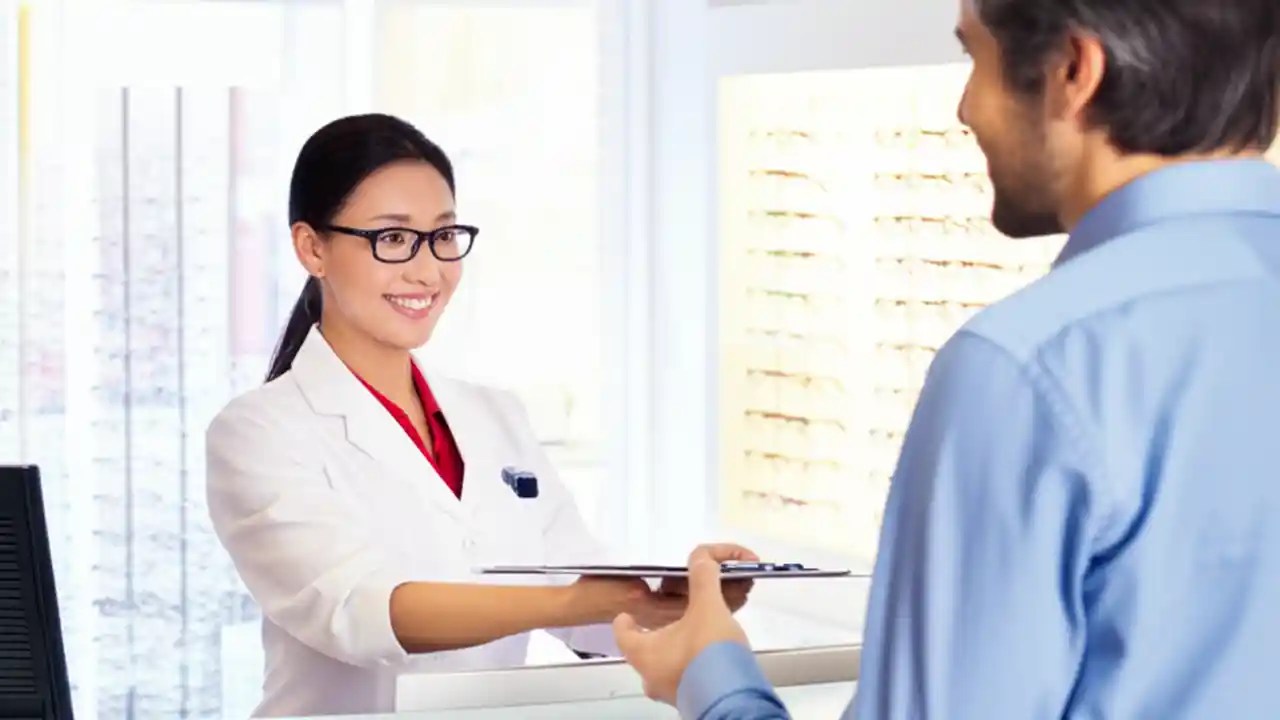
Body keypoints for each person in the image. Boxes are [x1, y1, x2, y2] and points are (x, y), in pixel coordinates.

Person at [614, 0, 1280, 717]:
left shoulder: (1028, 366)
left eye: (974, 58)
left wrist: (713, 679)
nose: (964, 109)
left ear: (1072, 71)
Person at [204, 113, 751, 717]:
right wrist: (573, 603)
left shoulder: (496, 416)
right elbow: (359, 612)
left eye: (443, 236)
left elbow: (586, 602)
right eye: (392, 238)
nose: (428, 269)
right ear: (313, 248)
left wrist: (676, 598)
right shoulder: (258, 433)